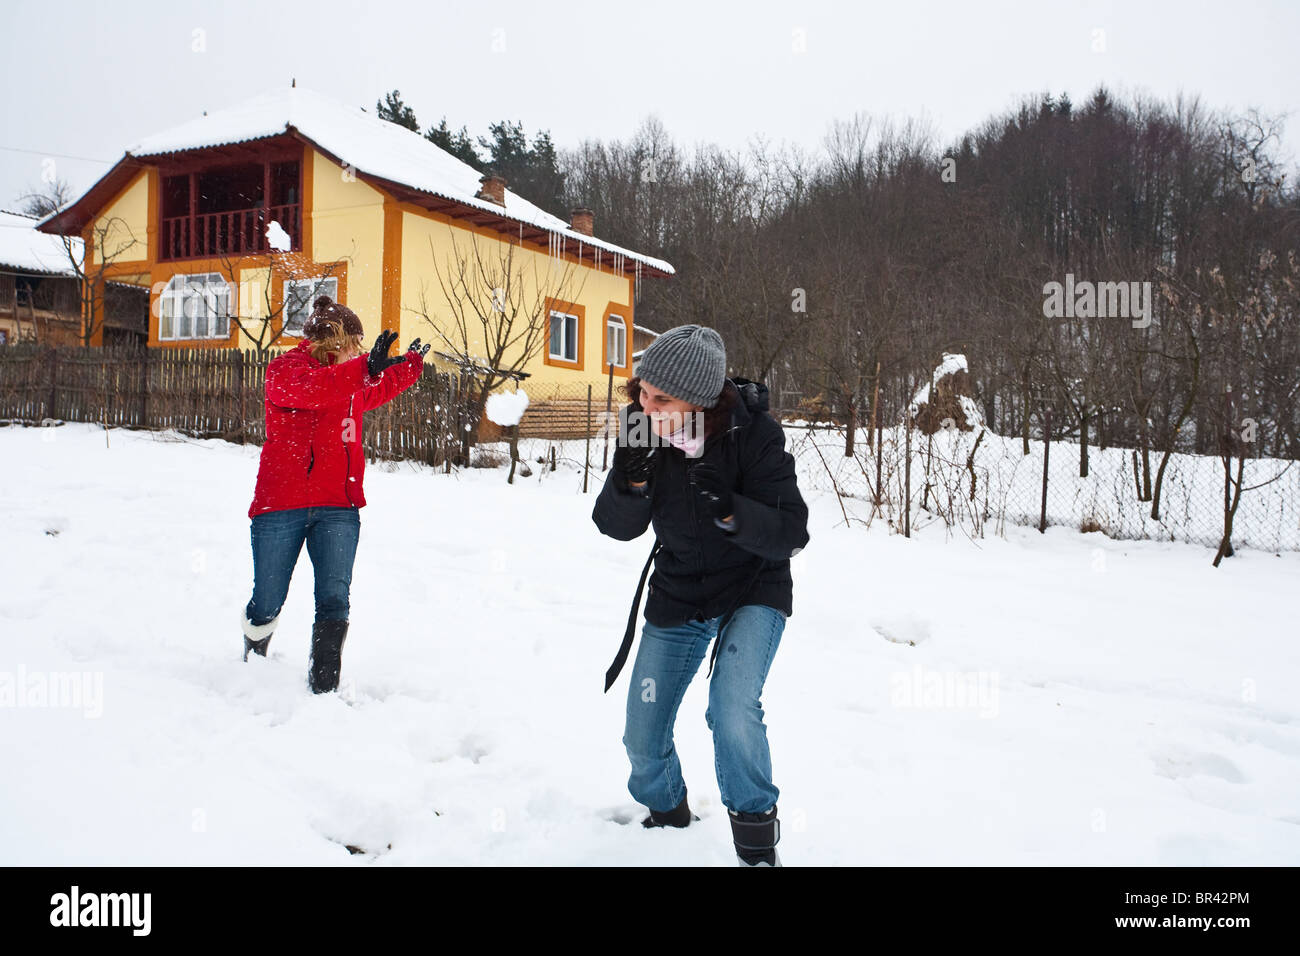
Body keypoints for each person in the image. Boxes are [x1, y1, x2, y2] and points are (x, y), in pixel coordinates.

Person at [591, 324, 810, 866]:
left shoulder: (752, 434)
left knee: (732, 711)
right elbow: (617, 528)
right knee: (641, 734)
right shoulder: (641, 429)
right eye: (642, 391)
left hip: (752, 587)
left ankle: (756, 845)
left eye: (660, 397)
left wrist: (731, 510)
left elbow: (792, 531)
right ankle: (668, 824)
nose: (645, 404)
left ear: (699, 398)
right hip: (680, 588)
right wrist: (631, 484)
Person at [242, 295, 430, 693]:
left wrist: (409, 367)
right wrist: (365, 369)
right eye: (355, 344)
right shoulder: (285, 372)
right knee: (268, 599)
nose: (360, 352)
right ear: (334, 339)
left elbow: (377, 388)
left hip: (338, 508)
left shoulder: (350, 380)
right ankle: (251, 666)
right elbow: (316, 390)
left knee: (334, 599)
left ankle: (323, 689)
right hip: (281, 505)